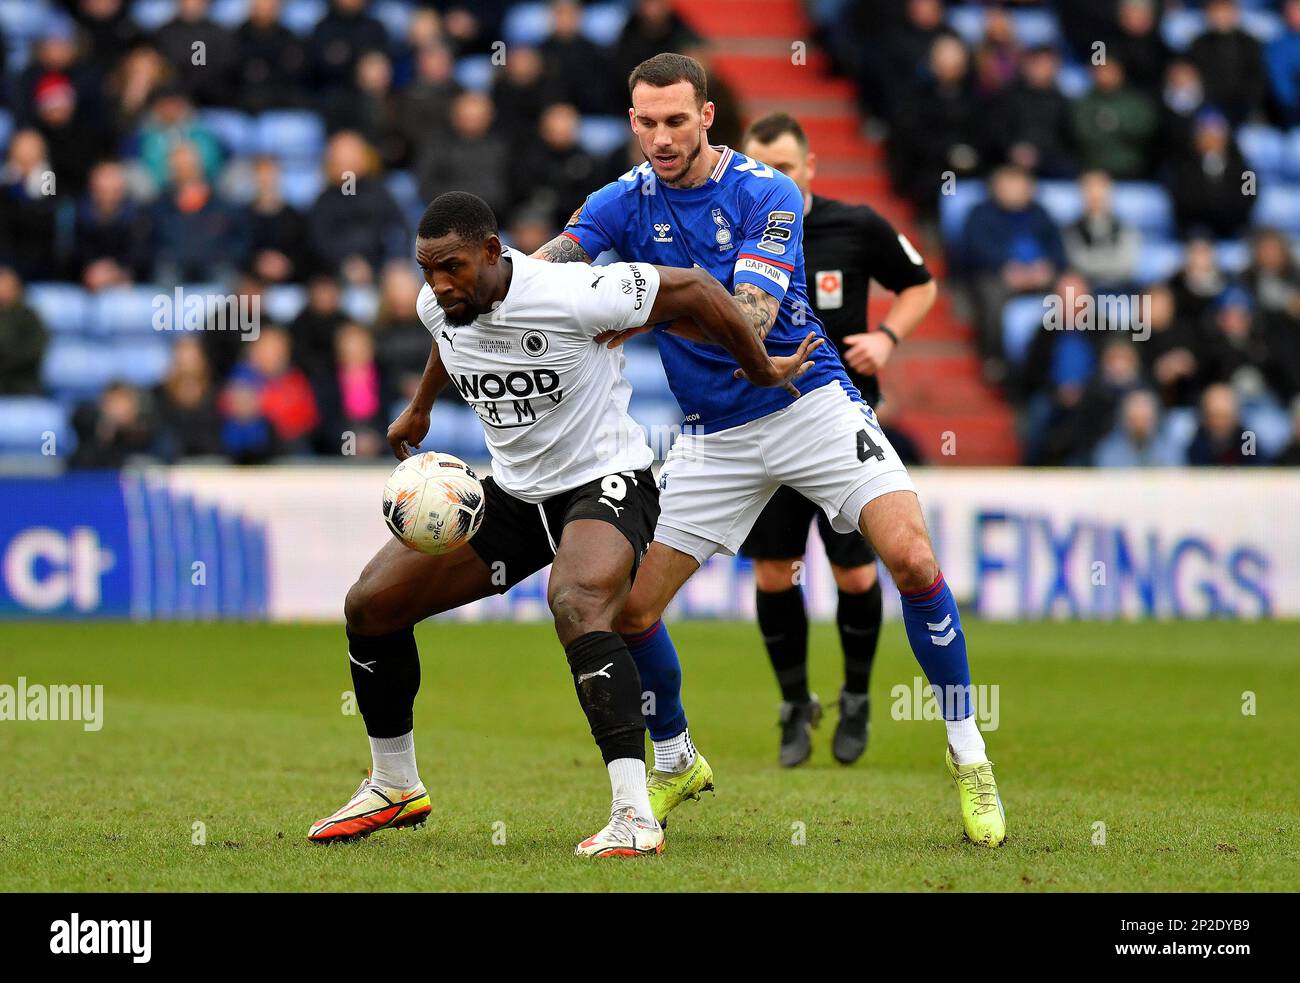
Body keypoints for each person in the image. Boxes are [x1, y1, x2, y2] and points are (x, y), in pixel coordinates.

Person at [530, 54, 1006, 847]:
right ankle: (677, 756)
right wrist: (496, 287)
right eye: (645, 122)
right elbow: (548, 271)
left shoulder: (767, 192)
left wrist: (636, 311)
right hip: (713, 437)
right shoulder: (622, 201)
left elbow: (748, 315)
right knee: (629, 607)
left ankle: (969, 754)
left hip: (806, 400)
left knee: (914, 560)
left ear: (707, 116)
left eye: (675, 120)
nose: (659, 137)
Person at [314, 191, 820, 856]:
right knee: (371, 604)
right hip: (517, 495)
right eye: (427, 268)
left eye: (454, 267)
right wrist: (420, 408)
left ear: (493, 252)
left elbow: (695, 287)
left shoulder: (574, 291)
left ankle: (635, 814)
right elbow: (450, 333)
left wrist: (760, 367)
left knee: (577, 601)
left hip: (607, 482)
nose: (439, 283)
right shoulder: (439, 302)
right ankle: (394, 783)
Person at [734, 111, 937, 768]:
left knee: (854, 571)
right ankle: (795, 702)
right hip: (764, 424)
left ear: (810, 168)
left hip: (844, 428)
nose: (772, 180)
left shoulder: (855, 225)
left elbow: (920, 283)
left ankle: (855, 696)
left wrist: (887, 337)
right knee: (773, 571)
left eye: (785, 168)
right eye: (760, 168)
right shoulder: (730, 231)